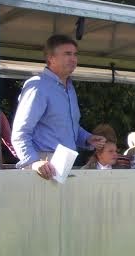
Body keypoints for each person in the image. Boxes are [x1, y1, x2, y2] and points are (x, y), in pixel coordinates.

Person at [11, 34, 106, 179]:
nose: (73, 59)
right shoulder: (38, 86)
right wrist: (34, 162)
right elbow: (20, 132)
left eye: (75, 54)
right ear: (50, 58)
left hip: (65, 163)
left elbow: (68, 125)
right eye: (67, 54)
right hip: (43, 166)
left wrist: (87, 138)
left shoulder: (69, 87)